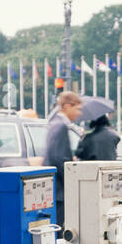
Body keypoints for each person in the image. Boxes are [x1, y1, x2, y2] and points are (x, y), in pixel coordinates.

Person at [44, 90, 82, 224]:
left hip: (53, 185)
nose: (79, 113)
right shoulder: (60, 126)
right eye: (77, 109)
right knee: (57, 227)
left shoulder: (55, 123)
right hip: (59, 188)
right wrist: (71, 179)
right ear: (67, 106)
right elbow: (58, 157)